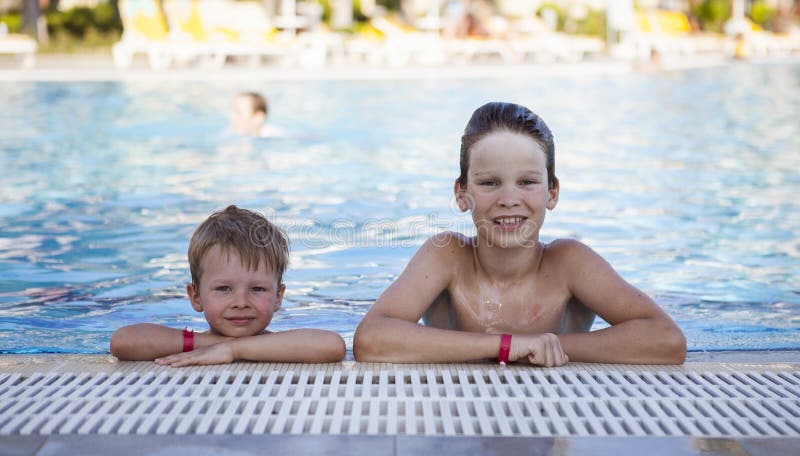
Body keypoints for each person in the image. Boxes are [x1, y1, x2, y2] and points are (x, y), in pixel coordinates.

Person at [353, 102, 686, 366]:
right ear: (461, 193)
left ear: (552, 193)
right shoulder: (447, 256)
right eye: (489, 183)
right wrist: (506, 346)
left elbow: (666, 340)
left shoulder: (568, 263)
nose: (509, 200)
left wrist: (548, 347)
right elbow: (371, 340)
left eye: (527, 182)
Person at [110, 205, 346, 365]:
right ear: (196, 297)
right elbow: (124, 341)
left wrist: (233, 350)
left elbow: (332, 345)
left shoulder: (284, 344)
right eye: (224, 289)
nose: (241, 303)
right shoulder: (199, 343)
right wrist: (219, 344)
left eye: (257, 289)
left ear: (278, 297)